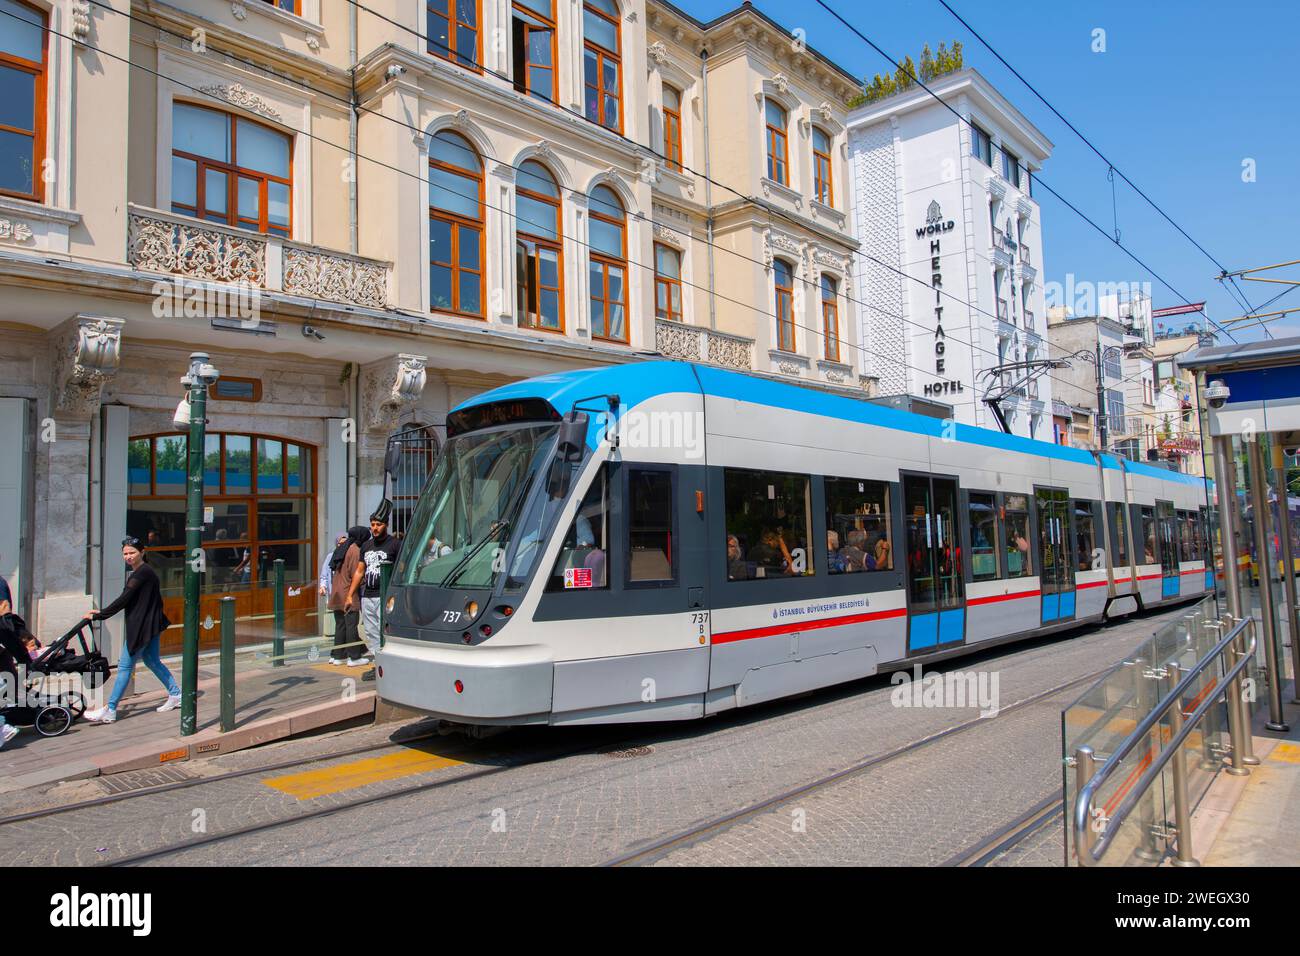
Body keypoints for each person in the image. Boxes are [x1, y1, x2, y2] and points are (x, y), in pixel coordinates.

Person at [83, 537, 181, 724]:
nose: (128, 557)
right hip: (150, 625)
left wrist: (100, 615)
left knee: (124, 667)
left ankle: (110, 709)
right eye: (125, 553)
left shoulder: (141, 573)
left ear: (142, 552)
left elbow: (124, 599)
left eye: (132, 553)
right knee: (152, 661)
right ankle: (176, 695)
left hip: (142, 628)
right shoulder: (143, 572)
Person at [348, 499, 401, 672]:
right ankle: (378, 663)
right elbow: (360, 570)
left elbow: (401, 568)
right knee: (371, 632)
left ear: (385, 525)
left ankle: (388, 663)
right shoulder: (366, 546)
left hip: (384, 596)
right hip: (367, 596)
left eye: (378, 524)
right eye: (372, 524)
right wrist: (350, 594)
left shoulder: (394, 544)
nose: (375, 528)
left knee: (384, 630)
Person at [328, 527, 368, 665]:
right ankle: (354, 657)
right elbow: (356, 574)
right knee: (351, 625)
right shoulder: (354, 550)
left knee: (340, 625)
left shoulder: (341, 549)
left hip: (336, 592)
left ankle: (338, 655)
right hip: (348, 592)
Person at [319, 532, 347, 600]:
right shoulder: (330, 557)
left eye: (345, 543)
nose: (342, 546)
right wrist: (323, 587)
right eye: (340, 543)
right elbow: (324, 575)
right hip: (334, 594)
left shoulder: (349, 556)